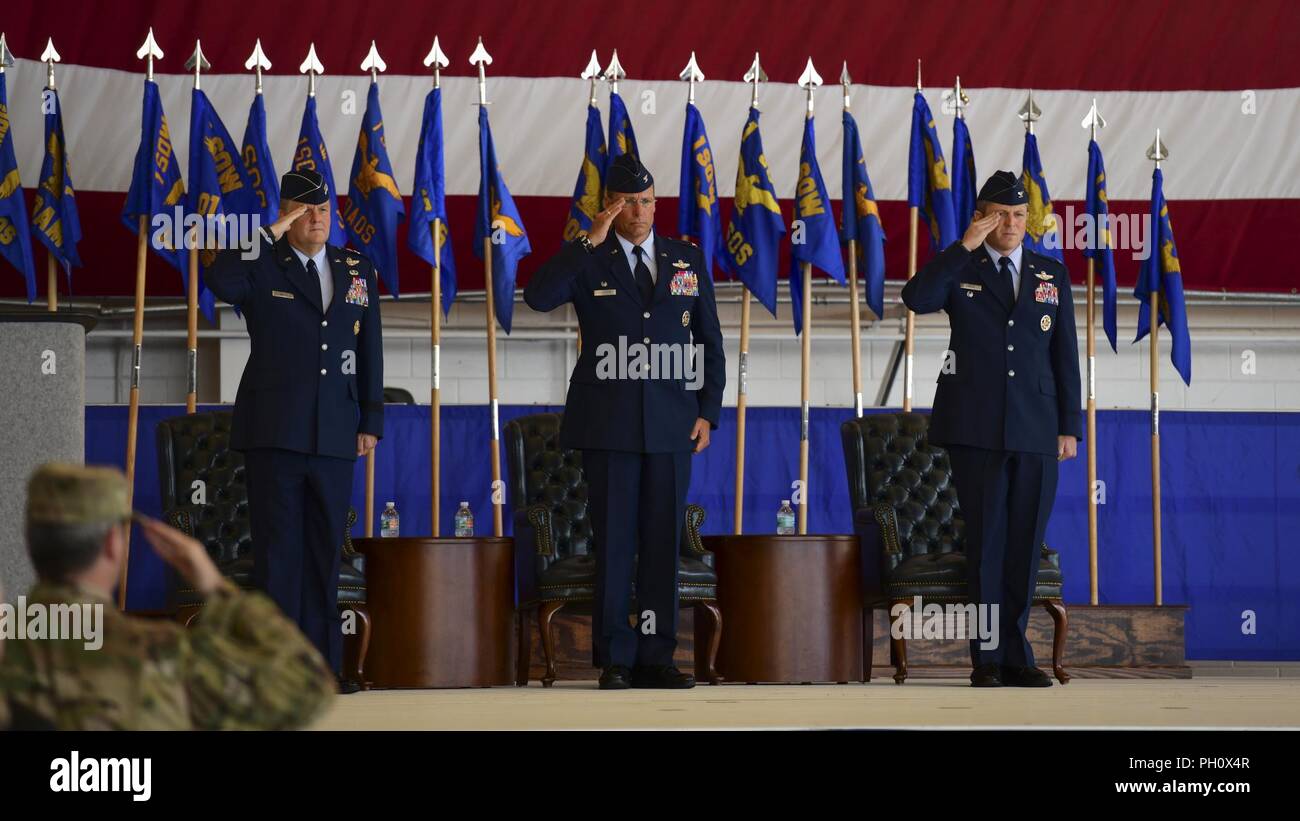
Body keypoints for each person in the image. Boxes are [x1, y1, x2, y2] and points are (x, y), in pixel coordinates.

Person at [524, 154, 725, 690]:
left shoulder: (685, 259)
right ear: (609, 206)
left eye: (647, 201)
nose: (639, 211)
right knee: (615, 542)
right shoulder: (590, 258)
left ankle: (656, 657)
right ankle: (615, 657)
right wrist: (589, 239)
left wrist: (708, 411)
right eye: (628, 202)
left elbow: (709, 341)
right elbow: (539, 296)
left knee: (662, 543)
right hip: (609, 425)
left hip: (672, 426)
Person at [901, 170, 1081, 688]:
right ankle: (988, 660)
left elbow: (1064, 355)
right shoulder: (962, 267)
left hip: (1037, 427)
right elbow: (918, 297)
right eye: (1001, 215)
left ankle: (1018, 655)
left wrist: (1069, 426)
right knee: (988, 544)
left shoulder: (1051, 274)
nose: (1012, 224)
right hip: (975, 428)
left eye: (1020, 215)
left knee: (1025, 544)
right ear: (982, 216)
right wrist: (963, 246)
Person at [206, 169, 383, 691]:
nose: (318, 220)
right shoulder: (263, 263)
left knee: (325, 550)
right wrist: (268, 233)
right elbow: (220, 281)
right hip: (275, 433)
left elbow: (368, 346)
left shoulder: (356, 268)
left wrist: (371, 417)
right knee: (279, 554)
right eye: (306, 212)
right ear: (287, 215)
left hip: (335, 432)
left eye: (324, 211)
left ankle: (324, 667)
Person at [0, 463, 337, 729]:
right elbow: (308, 686)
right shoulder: (163, 655)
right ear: (112, 545)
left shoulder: (9, 645)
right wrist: (217, 588)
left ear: (31, 544)